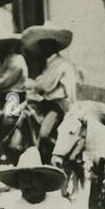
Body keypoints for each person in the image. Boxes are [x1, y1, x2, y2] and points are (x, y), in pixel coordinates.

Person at [20, 24, 79, 158]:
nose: (42, 48)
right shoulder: (50, 63)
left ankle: (62, 154)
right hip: (49, 103)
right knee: (27, 116)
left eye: (46, 45)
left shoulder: (60, 63)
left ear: (53, 46)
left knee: (44, 133)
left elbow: (45, 85)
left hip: (59, 105)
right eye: (41, 45)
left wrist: (31, 84)